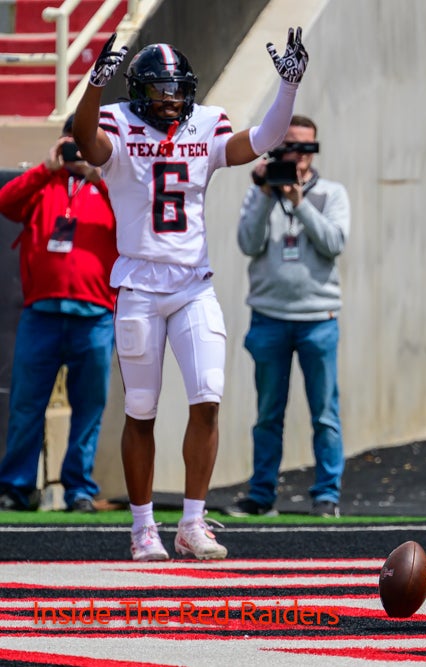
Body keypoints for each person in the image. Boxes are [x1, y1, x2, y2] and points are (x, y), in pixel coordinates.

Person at [72, 28, 309, 561]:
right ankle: (142, 529)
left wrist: (288, 89)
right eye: (160, 90)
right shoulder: (117, 121)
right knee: (141, 409)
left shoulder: (205, 123)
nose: (171, 99)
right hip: (138, 283)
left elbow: (260, 141)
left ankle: (193, 523)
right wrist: (92, 84)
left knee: (208, 397)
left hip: (193, 284)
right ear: (138, 93)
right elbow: (87, 142)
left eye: (178, 89)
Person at [223, 115, 349, 519]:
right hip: (269, 318)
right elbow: (247, 242)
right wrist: (264, 193)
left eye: (305, 147)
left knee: (325, 413)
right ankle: (261, 496)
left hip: (318, 318)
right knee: (268, 414)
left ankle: (326, 496)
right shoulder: (260, 193)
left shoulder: (331, 193)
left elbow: (334, 243)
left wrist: (299, 202)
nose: (296, 155)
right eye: (288, 146)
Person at [0, 115, 117, 514]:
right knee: (27, 403)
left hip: (95, 313)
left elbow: (135, 222)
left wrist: (98, 175)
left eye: (84, 141)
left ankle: (78, 487)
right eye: (71, 139)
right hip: (42, 312)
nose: (76, 148)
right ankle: (17, 486)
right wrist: (45, 169)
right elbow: (6, 203)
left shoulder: (113, 186)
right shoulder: (43, 182)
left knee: (89, 407)